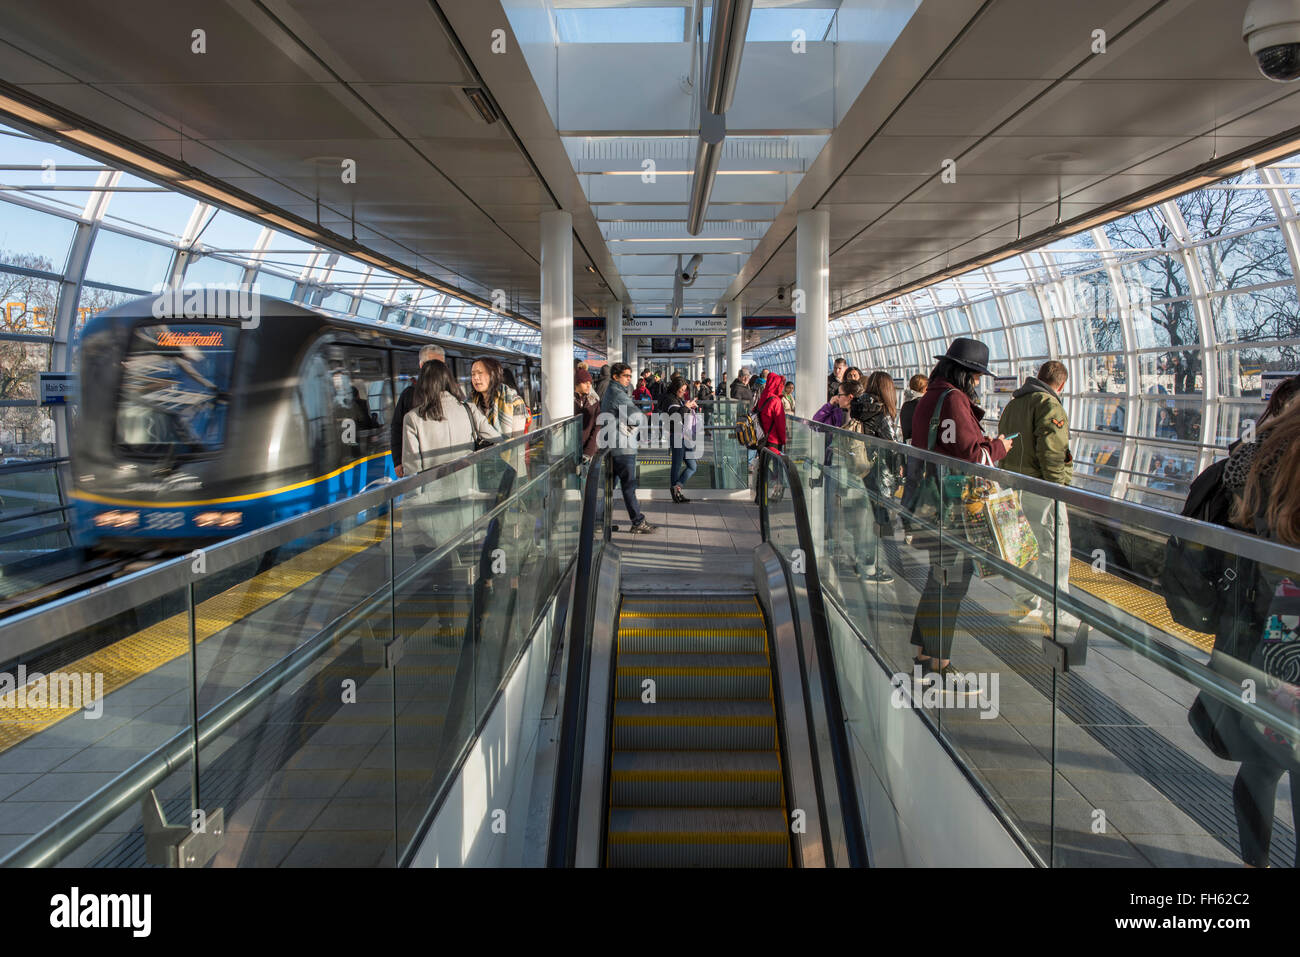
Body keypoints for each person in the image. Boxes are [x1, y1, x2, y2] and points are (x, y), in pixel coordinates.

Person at [1219, 399, 1300, 867]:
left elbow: (1233, 469)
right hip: (1287, 611)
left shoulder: (1270, 447)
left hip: (1273, 612)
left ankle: (1255, 861)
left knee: (1265, 755)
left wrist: (1271, 422)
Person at [907, 338, 1013, 691]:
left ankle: (925, 654)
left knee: (939, 578)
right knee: (952, 584)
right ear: (965, 374)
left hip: (932, 501)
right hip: (954, 509)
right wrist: (999, 447)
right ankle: (939, 663)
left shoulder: (929, 397)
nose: (979, 382)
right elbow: (971, 455)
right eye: (977, 375)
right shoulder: (953, 399)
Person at [997, 360, 1076, 630]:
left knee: (1023, 550)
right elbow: (1052, 452)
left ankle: (1024, 604)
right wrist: (1057, 487)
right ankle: (1058, 613)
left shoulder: (1013, 404)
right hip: (1041, 489)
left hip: (1012, 486)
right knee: (1054, 550)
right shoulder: (1049, 405)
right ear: (1061, 384)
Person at [402, 359, 500, 550]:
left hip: (431, 512)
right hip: (467, 507)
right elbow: (497, 439)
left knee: (433, 571)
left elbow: (411, 469)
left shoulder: (412, 419)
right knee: (468, 566)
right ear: (449, 381)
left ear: (423, 385)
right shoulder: (469, 409)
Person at [846, 371, 902, 585]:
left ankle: (863, 561)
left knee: (863, 517)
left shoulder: (859, 407)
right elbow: (892, 445)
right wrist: (899, 473)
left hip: (860, 469)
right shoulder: (882, 412)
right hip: (878, 473)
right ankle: (868, 568)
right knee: (876, 521)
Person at [599, 362, 655, 533]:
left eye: (630, 376)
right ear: (615, 376)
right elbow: (638, 415)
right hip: (623, 447)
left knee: (610, 487)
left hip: (613, 446)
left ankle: (598, 521)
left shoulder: (612, 391)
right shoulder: (617, 393)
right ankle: (637, 522)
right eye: (626, 376)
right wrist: (632, 425)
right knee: (629, 486)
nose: (629, 379)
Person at [390, 343, 446, 477]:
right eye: (431, 364)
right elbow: (397, 427)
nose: (436, 369)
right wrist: (398, 460)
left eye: (441, 365)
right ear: (421, 366)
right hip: (420, 462)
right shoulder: (409, 395)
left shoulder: (451, 393)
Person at [660, 376, 700, 503]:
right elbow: (675, 416)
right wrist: (686, 406)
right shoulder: (669, 399)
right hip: (676, 435)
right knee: (676, 466)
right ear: (675, 388)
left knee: (692, 466)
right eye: (681, 390)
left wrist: (689, 406)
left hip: (684, 435)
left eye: (684, 390)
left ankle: (678, 486)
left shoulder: (677, 398)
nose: (683, 393)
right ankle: (675, 491)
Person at [470, 356, 527, 438]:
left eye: (480, 373)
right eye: (473, 374)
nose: (475, 377)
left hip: (506, 450)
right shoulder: (469, 403)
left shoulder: (514, 401)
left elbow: (517, 442)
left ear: (493, 374)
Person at [754, 372, 788, 501]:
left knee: (762, 468)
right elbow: (780, 423)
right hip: (773, 441)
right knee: (779, 468)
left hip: (761, 439)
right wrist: (783, 440)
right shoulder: (775, 400)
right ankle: (777, 493)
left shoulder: (763, 397)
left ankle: (760, 496)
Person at [575, 368, 600, 462]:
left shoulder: (593, 402)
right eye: (585, 382)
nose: (589, 385)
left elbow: (597, 427)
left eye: (590, 382)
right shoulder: (568, 402)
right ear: (576, 384)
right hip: (569, 450)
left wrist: (589, 451)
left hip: (587, 452)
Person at [900, 374, 928, 445]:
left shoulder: (905, 405)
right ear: (924, 388)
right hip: (922, 446)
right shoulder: (924, 404)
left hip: (908, 444)